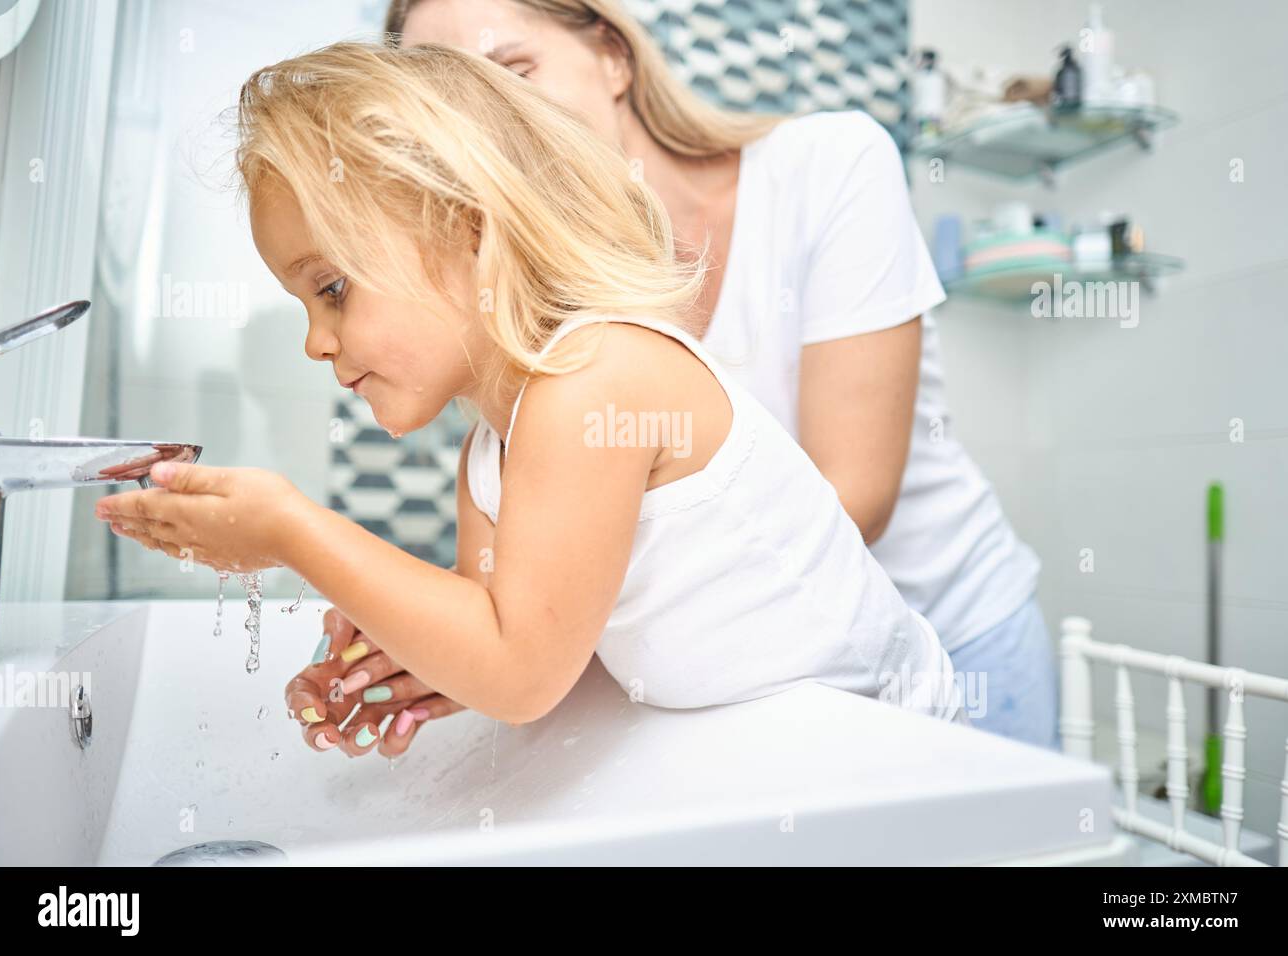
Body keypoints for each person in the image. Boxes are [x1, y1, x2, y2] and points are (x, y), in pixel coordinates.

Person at [93, 42, 966, 758]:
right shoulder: (492, 450)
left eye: (331, 288)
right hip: (777, 747)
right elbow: (522, 635)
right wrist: (418, 659)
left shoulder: (597, 380)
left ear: (468, 225)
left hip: (889, 742)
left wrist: (292, 530)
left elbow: (520, 673)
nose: (316, 341)